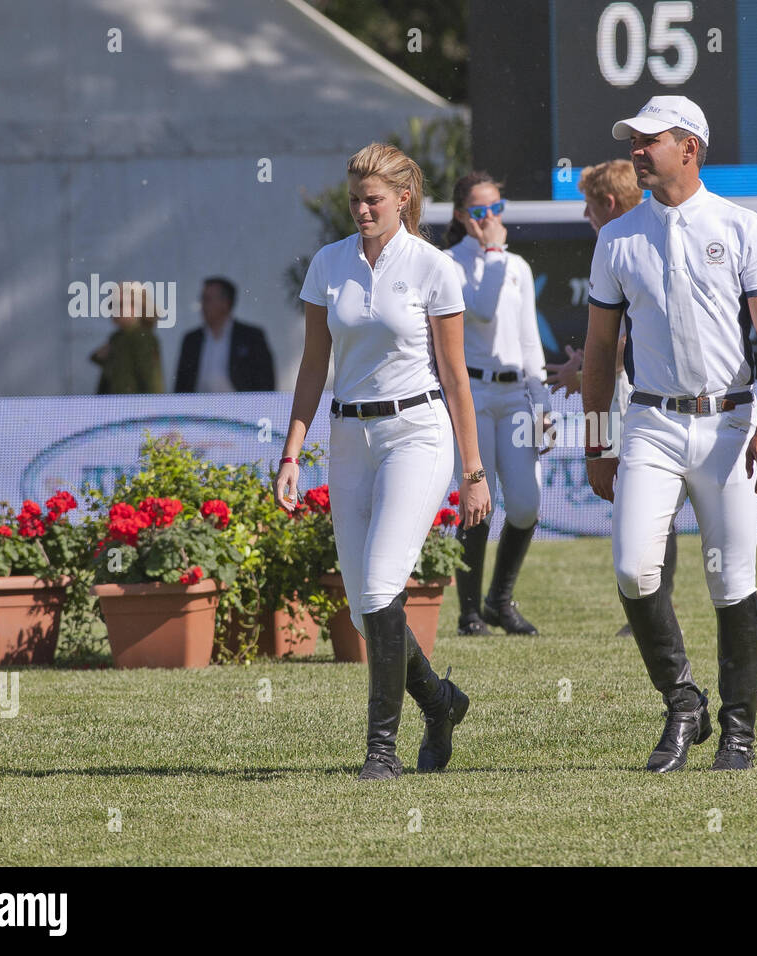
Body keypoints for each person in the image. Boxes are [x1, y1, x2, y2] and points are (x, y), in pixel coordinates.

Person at [583, 96, 757, 773]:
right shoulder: (617, 236)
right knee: (633, 570)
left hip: (731, 423)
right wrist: (596, 440)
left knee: (733, 581)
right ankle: (682, 703)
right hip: (650, 421)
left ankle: (738, 733)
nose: (638, 150)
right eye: (635, 140)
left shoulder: (740, 225)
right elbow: (597, 350)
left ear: (690, 147)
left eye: (651, 139)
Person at [274, 143, 491, 781]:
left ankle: (382, 751)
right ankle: (440, 702)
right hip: (349, 438)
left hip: (417, 433)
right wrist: (291, 453)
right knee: (369, 608)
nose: (362, 209)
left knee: (378, 589)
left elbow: (456, 378)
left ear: (405, 200)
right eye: (355, 200)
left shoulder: (433, 268)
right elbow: (314, 365)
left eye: (374, 199)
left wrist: (473, 471)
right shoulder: (328, 263)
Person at [545, 159, 678, 640]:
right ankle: (653, 603)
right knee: (651, 506)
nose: (584, 215)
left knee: (649, 504)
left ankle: (653, 606)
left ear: (605, 202)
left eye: (587, 204)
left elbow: (631, 341)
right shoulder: (629, 239)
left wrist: (584, 370)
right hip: (639, 392)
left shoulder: (628, 240)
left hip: (649, 397)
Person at [441, 172, 549, 636]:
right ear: (463, 216)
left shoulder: (517, 267)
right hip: (473, 394)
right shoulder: (448, 263)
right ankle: (469, 613)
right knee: (478, 502)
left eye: (497, 210)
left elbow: (529, 340)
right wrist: (492, 251)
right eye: (481, 212)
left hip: (515, 394)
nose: (491, 220)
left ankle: (498, 600)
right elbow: (480, 311)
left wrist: (542, 402)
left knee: (526, 504)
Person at [174, 276, 276, 392]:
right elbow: (180, 386)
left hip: (240, 407)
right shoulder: (191, 340)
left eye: (207, 299)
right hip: (197, 408)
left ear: (225, 303)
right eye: (202, 299)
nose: (202, 305)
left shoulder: (251, 337)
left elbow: (265, 383)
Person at [91, 281, 166, 394]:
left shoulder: (143, 337)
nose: (114, 310)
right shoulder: (117, 338)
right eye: (112, 304)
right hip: (112, 406)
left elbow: (151, 379)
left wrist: (154, 407)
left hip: (135, 407)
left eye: (121, 304)